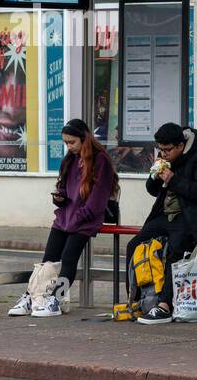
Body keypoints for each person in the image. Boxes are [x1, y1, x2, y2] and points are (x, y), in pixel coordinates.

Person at [8, 118, 117, 318]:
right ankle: (32, 296)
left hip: (84, 221)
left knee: (68, 260)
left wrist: (79, 216)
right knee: (47, 260)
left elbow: (98, 199)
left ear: (85, 139)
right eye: (66, 142)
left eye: (72, 142)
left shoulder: (100, 161)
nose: (69, 146)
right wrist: (60, 198)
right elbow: (65, 189)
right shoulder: (69, 160)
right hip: (65, 217)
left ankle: (55, 300)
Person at [125, 122, 197, 325]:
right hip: (164, 215)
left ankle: (165, 305)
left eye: (167, 150)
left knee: (176, 248)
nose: (164, 154)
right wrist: (156, 175)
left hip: (191, 216)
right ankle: (137, 301)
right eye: (160, 150)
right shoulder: (165, 158)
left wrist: (174, 179)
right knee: (134, 245)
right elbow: (152, 190)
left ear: (180, 145)